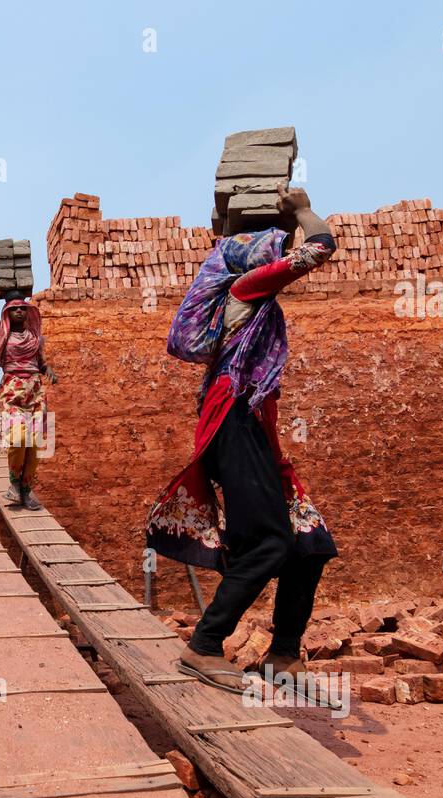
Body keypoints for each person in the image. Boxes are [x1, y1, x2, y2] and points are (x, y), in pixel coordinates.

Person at [145, 185, 338, 693]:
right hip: (233, 421)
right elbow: (319, 247)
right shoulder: (243, 287)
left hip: (255, 425)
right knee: (269, 543)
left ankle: (283, 656)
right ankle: (205, 645)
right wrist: (300, 209)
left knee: (308, 543)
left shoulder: (251, 293)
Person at [0, 289, 53, 510]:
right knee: (18, 438)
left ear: (28, 312)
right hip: (12, 391)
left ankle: (25, 489)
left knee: (34, 444)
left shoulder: (35, 337)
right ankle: (14, 483)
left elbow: (41, 362)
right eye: (13, 309)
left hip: (35, 391)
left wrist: (48, 370)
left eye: (22, 309)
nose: (18, 312)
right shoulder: (0, 334)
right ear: (6, 313)